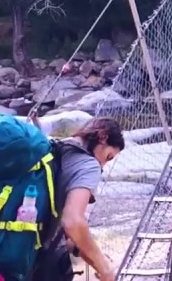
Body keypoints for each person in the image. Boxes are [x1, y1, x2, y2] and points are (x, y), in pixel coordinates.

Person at [34, 117, 126, 281]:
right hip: (36, 259)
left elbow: (67, 236)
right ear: (103, 137)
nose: (103, 165)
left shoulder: (56, 149)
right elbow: (73, 221)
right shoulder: (89, 165)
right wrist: (105, 270)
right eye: (108, 157)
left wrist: (94, 257)